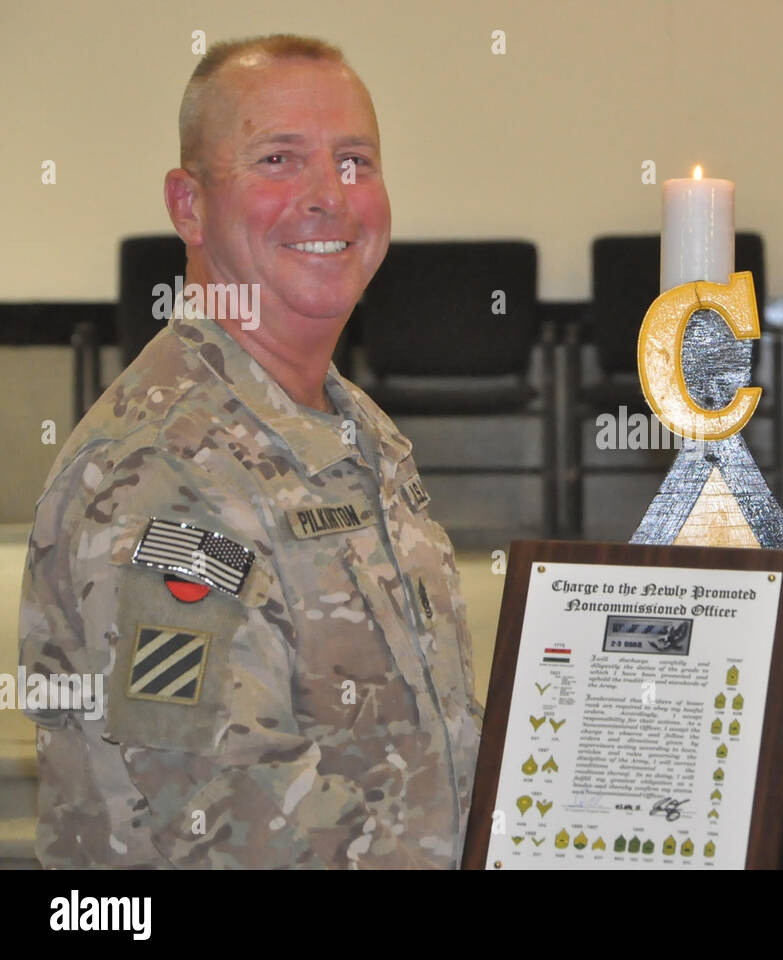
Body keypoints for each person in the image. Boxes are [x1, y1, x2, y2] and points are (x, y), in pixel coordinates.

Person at [17, 34, 481, 868]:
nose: (327, 198)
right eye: (277, 159)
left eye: (354, 161)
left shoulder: (356, 429)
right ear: (188, 206)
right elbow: (220, 817)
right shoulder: (166, 469)